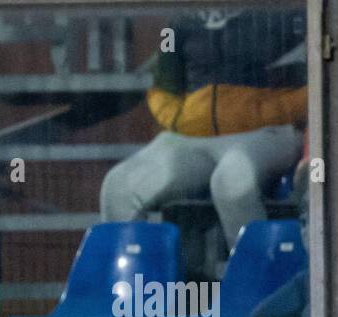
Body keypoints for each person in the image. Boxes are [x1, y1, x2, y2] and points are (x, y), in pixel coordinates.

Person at [99, 8, 306, 251]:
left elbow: (319, 76)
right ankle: (136, 283)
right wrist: (180, 118)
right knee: (120, 186)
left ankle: (257, 280)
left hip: (268, 131)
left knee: (232, 181)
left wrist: (268, 112)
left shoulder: (282, 12)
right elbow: (163, 86)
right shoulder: (179, 20)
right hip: (193, 135)